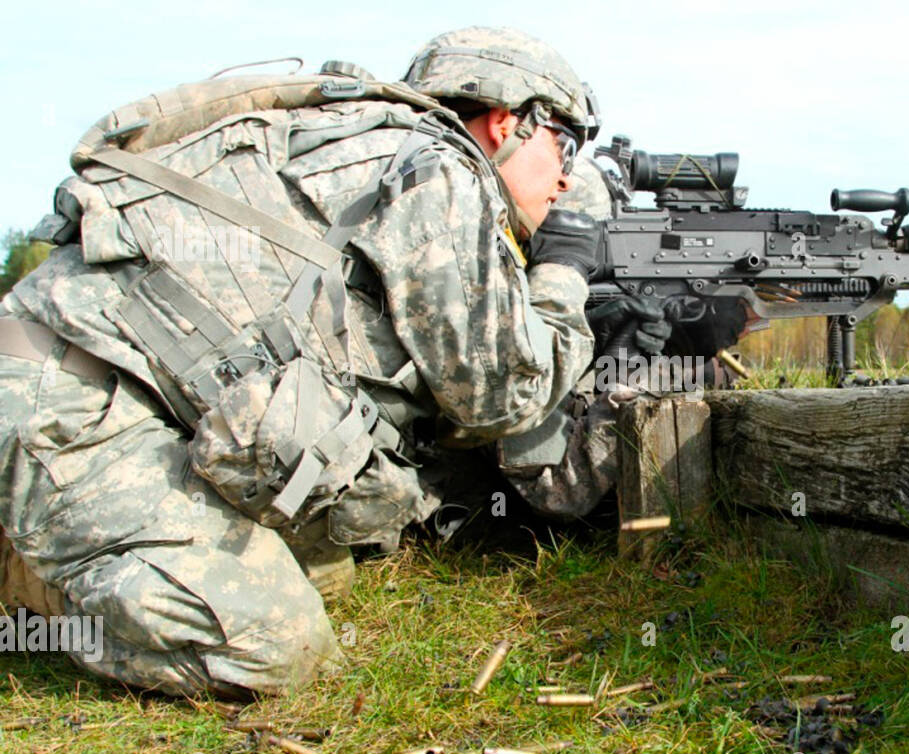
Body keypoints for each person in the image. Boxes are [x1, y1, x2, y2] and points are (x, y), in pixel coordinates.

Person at [0, 26, 656, 699]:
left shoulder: (379, 148)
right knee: (274, 645)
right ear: (506, 123)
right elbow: (502, 396)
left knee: (327, 567)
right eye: (564, 145)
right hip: (70, 399)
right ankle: (28, 584)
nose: (567, 176)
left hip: (107, 383)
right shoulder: (439, 170)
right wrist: (566, 268)